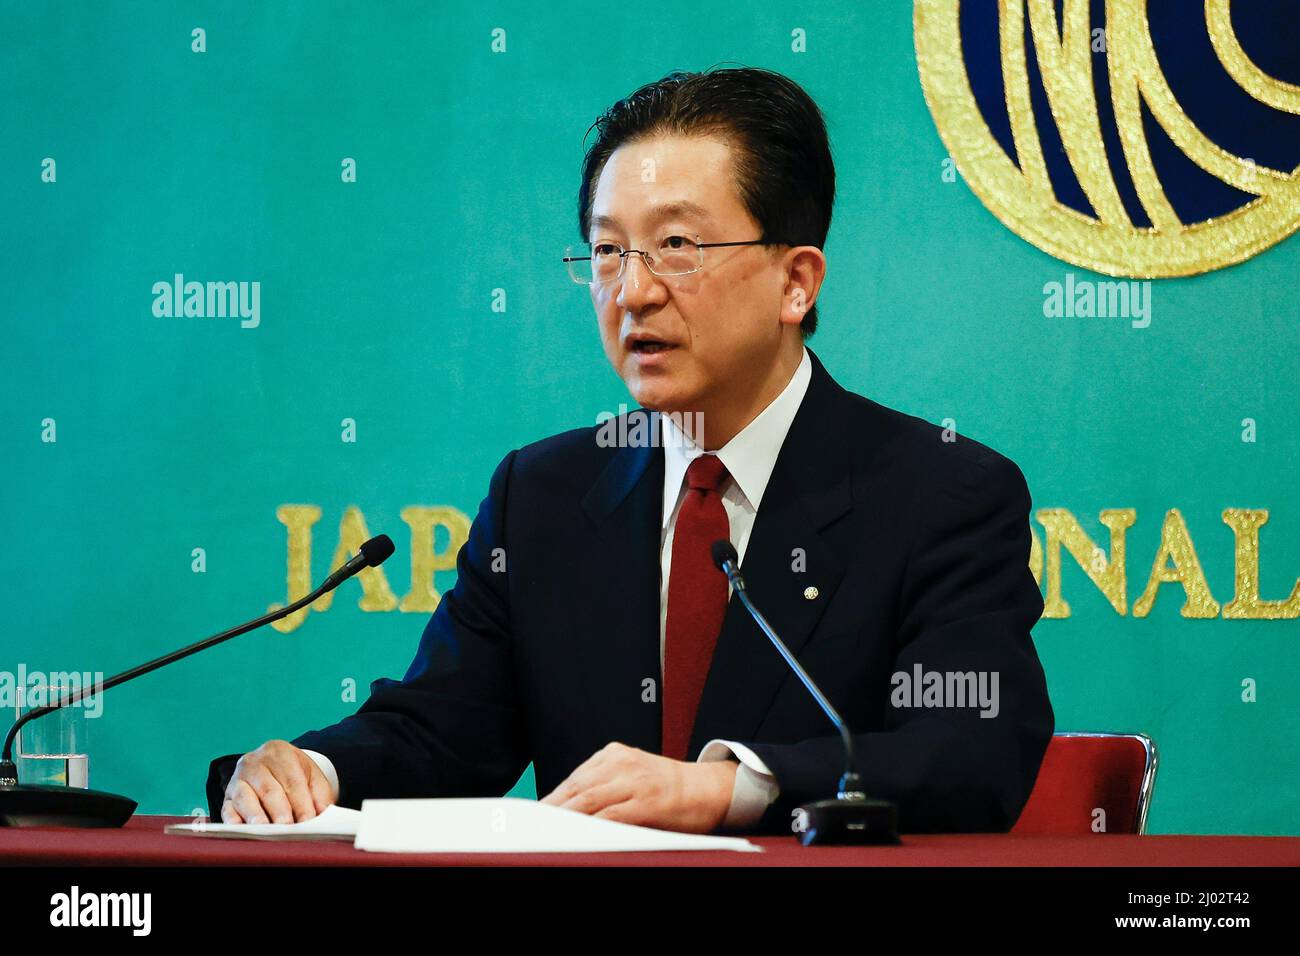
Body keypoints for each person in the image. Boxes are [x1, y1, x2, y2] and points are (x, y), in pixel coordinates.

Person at [207, 66, 1053, 835]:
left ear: (796, 281)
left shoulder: (940, 492)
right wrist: (309, 771)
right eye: (608, 251)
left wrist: (729, 788)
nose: (633, 291)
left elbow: (972, 753)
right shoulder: (544, 494)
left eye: (678, 247)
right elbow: (443, 729)